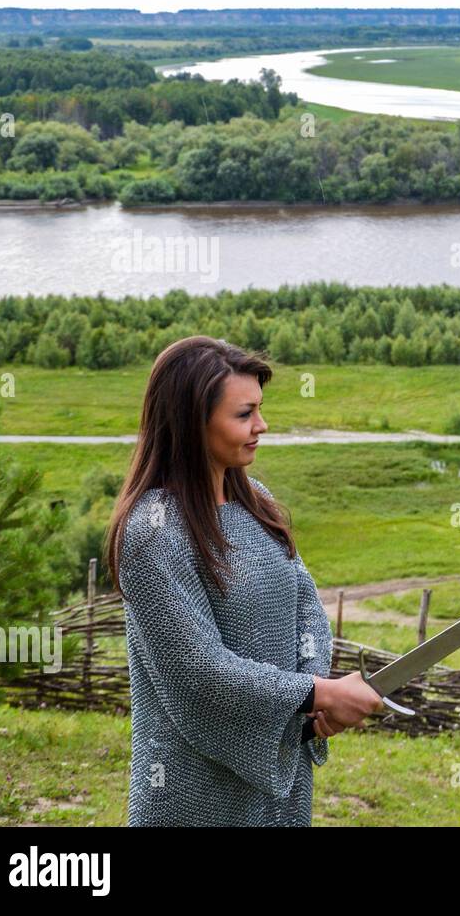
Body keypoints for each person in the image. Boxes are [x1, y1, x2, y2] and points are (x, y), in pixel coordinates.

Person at [104, 336, 385, 826]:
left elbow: (308, 610)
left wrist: (314, 699)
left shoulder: (256, 499)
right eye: (244, 414)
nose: (262, 426)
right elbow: (200, 672)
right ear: (193, 422)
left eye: (259, 409)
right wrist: (317, 694)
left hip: (280, 774)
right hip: (189, 791)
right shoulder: (153, 531)